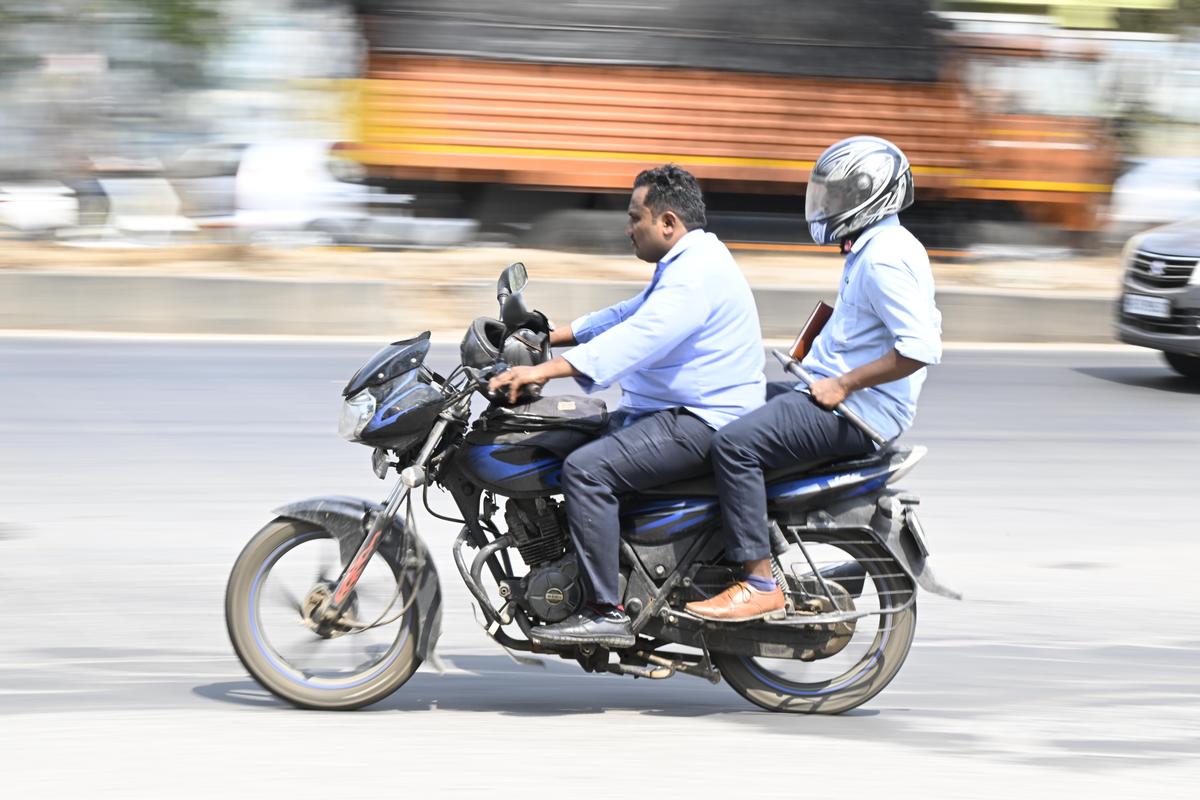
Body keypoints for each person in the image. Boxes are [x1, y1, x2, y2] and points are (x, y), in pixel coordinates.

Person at [489, 164, 765, 647]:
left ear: (668, 223)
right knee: (570, 434)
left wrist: (540, 372)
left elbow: (636, 339)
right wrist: (546, 337)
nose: (627, 228)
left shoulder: (694, 274)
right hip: (678, 409)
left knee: (586, 471)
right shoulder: (688, 263)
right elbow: (628, 314)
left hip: (701, 420)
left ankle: (604, 610)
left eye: (635, 217)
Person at [685, 136, 942, 623]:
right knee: (722, 404)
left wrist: (842, 384)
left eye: (840, 196)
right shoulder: (873, 245)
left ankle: (759, 582)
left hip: (859, 412)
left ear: (874, 195)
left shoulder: (884, 257)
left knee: (735, 447)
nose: (830, 205)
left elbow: (920, 349)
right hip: (838, 395)